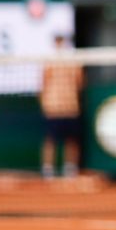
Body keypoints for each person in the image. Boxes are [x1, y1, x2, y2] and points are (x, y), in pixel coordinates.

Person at [40, 35, 84, 179]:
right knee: (51, 139)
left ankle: (69, 168)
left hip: (70, 106)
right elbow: (44, 82)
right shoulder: (50, 61)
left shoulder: (73, 60)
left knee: (71, 139)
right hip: (54, 107)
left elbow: (80, 82)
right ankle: (48, 169)